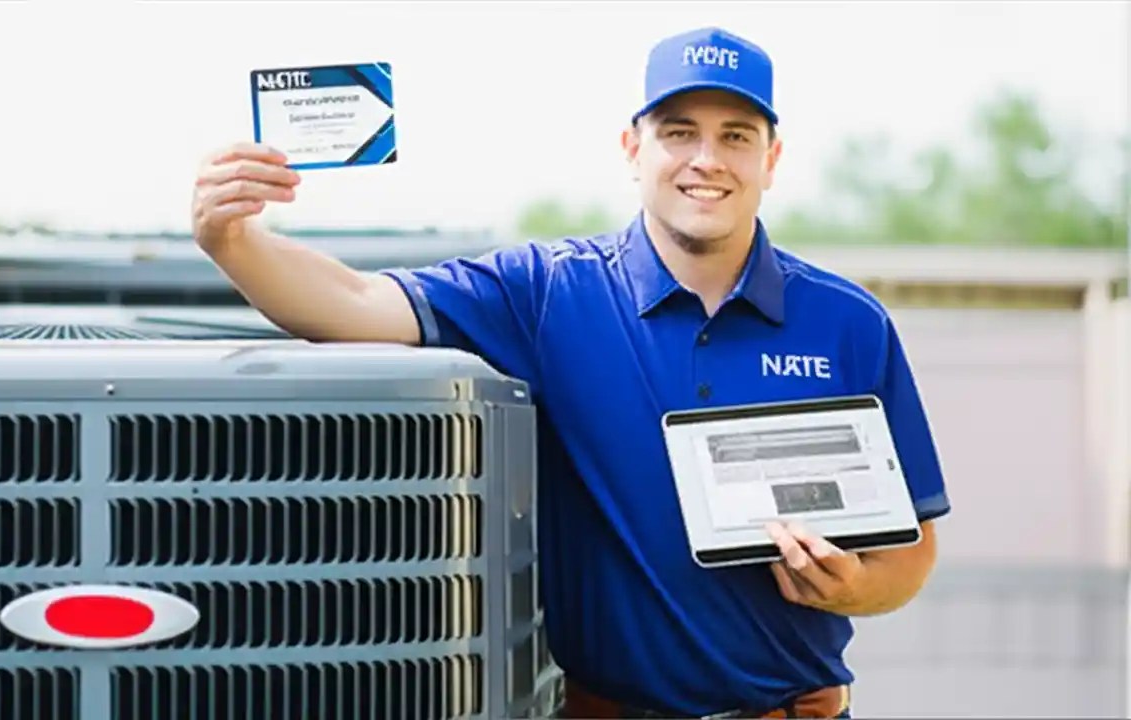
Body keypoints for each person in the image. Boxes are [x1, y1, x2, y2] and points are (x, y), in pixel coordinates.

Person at [191, 25, 950, 720]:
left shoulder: (849, 324)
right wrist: (233, 242)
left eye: (736, 136)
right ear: (633, 148)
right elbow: (354, 303)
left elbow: (912, 550)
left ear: (771, 159)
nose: (706, 160)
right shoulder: (548, 293)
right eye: (678, 132)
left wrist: (856, 587)